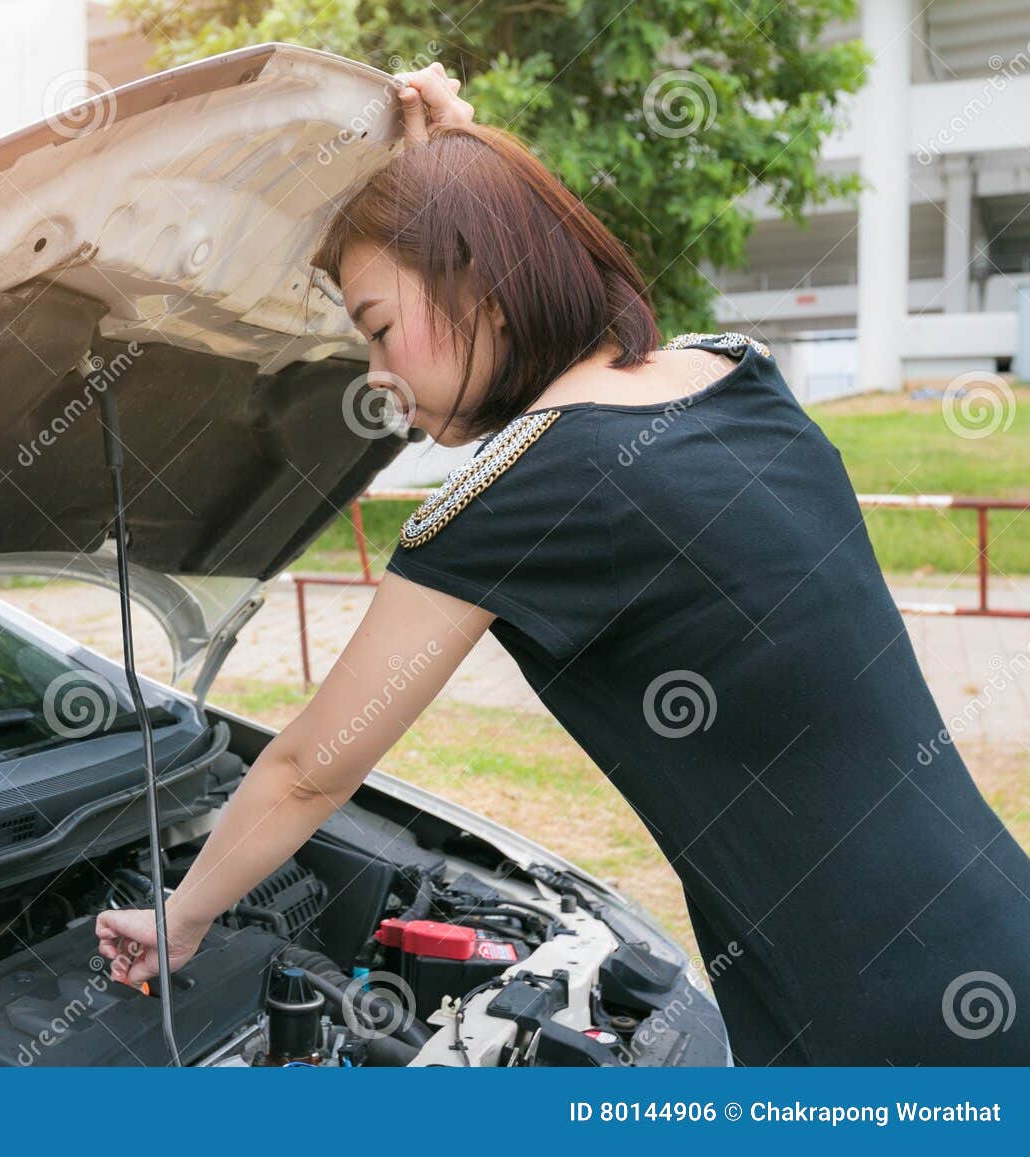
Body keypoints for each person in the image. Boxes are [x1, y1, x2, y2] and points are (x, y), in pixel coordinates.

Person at [95, 63, 1030, 1065]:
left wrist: (180, 916)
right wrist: (453, 174)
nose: (375, 378)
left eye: (375, 329)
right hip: (991, 928)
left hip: (869, 1017)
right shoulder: (733, 376)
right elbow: (528, 286)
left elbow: (309, 769)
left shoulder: (516, 496)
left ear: (477, 281)